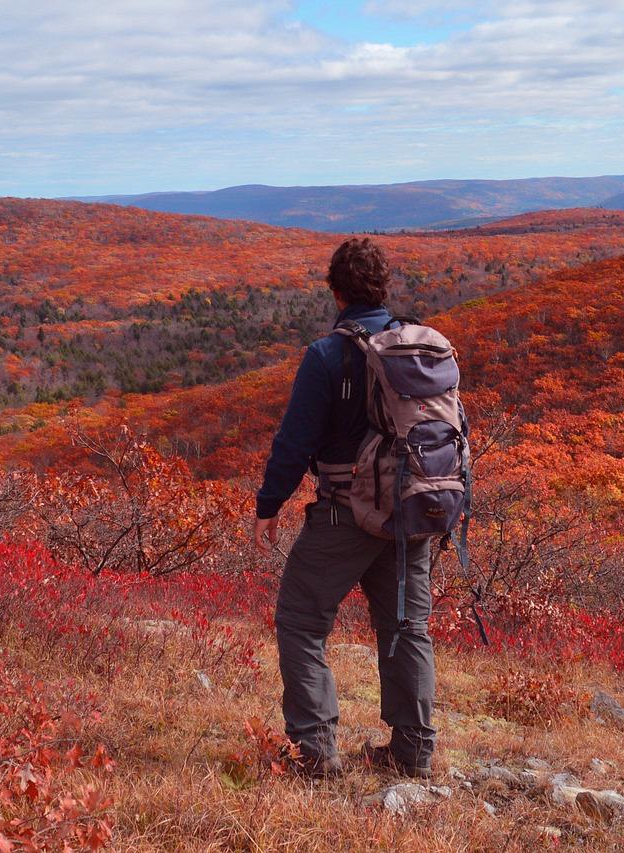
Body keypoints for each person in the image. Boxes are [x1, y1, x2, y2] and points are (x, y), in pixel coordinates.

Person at [253, 238, 435, 779]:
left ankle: (314, 756)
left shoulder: (327, 355)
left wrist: (269, 504)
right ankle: (413, 753)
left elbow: (293, 442)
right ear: (384, 287)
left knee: (302, 622)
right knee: (407, 628)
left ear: (335, 291)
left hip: (344, 515)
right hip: (412, 513)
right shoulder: (421, 348)